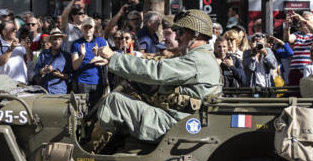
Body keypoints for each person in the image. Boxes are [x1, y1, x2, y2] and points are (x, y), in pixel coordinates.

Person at [88, 9, 221, 149]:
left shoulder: (197, 60)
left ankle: (89, 155)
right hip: (180, 119)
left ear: (195, 34)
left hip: (175, 122)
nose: (177, 37)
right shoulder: (201, 57)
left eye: (181, 32)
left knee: (114, 101)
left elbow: (156, 70)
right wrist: (114, 59)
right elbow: (159, 61)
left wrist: (114, 58)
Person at [71, 17, 108, 106]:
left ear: (94, 28)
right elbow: (75, 66)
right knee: (82, 111)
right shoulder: (76, 44)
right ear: (81, 28)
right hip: (82, 82)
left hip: (98, 81)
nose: (88, 29)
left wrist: (98, 56)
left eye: (90, 27)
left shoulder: (101, 41)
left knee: (97, 110)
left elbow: (109, 60)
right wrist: (82, 56)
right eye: (85, 27)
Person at [35, 29, 72, 95]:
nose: (57, 42)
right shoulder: (43, 54)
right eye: (54, 39)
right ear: (50, 41)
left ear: (62, 41)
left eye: (59, 39)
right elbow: (36, 71)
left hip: (59, 91)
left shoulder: (67, 56)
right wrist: (43, 70)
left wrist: (60, 75)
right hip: (43, 90)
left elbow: (70, 76)